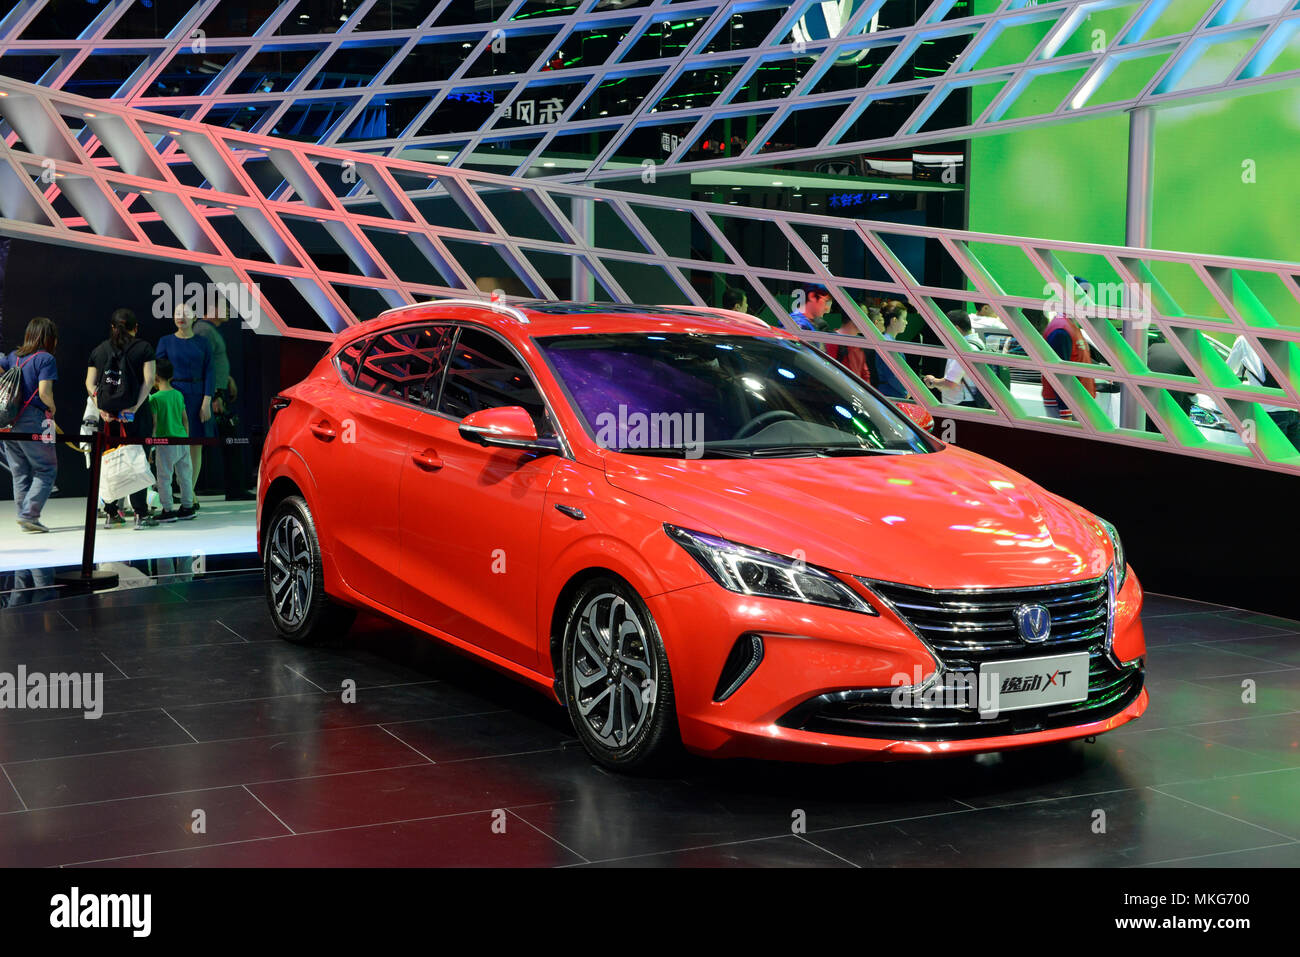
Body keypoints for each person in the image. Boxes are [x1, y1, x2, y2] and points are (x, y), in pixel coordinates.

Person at [87, 308, 156, 529]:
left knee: (109, 461)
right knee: (136, 460)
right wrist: (134, 407)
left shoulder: (99, 350)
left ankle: (111, 513)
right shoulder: (144, 348)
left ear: (112, 328)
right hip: (134, 415)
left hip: (108, 417)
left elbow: (90, 383)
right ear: (135, 328)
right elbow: (149, 379)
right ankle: (140, 513)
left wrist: (101, 409)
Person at [0, 316, 58, 533]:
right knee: (46, 469)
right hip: (33, 419)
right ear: (49, 338)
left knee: (20, 472)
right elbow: (44, 392)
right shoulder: (46, 359)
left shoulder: (14, 356)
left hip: (8, 421)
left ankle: (24, 517)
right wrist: (52, 408)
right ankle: (29, 515)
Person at [193, 305, 250, 500]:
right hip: (212, 395)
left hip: (217, 391)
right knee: (223, 439)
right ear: (209, 309)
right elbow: (202, 363)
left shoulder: (209, 330)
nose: (227, 311)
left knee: (225, 440)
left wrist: (227, 378)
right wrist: (215, 394)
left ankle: (232, 489)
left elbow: (213, 362)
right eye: (222, 307)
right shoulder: (204, 329)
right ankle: (231, 489)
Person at [156, 303, 213, 500]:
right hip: (173, 395)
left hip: (197, 396)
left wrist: (207, 400)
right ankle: (171, 490)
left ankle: (191, 490)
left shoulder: (203, 342)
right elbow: (158, 369)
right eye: (177, 313)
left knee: (195, 444)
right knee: (172, 444)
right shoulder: (165, 341)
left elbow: (210, 371)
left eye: (186, 313)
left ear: (195, 318)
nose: (181, 317)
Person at [1227, 334, 1300, 448]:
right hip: (1293, 411)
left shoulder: (1244, 340)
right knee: (1292, 461)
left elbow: (1228, 372)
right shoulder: (1281, 338)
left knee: (1270, 458)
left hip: (1269, 411)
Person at [147, 357, 197, 523]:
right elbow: (185, 420)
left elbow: (154, 424)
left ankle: (168, 509)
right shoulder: (178, 394)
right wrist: (187, 440)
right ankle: (188, 507)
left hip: (165, 443)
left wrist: (151, 447)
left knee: (164, 477)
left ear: (155, 377)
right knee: (185, 476)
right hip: (182, 441)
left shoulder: (154, 399)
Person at [1041, 292, 1096, 419]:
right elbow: (1060, 373)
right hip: (1070, 405)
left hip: (1076, 402)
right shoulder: (1061, 329)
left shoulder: (1070, 325)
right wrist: (1065, 411)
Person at [924, 310, 986, 407]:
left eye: (946, 329)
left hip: (961, 403)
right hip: (969, 400)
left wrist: (932, 381)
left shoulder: (965, 349)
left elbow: (950, 383)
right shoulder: (978, 342)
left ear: (956, 329)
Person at [873, 301, 910, 398]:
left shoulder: (886, 340)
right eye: (904, 319)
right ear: (894, 320)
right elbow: (892, 375)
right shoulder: (888, 343)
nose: (906, 322)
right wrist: (906, 391)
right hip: (891, 394)